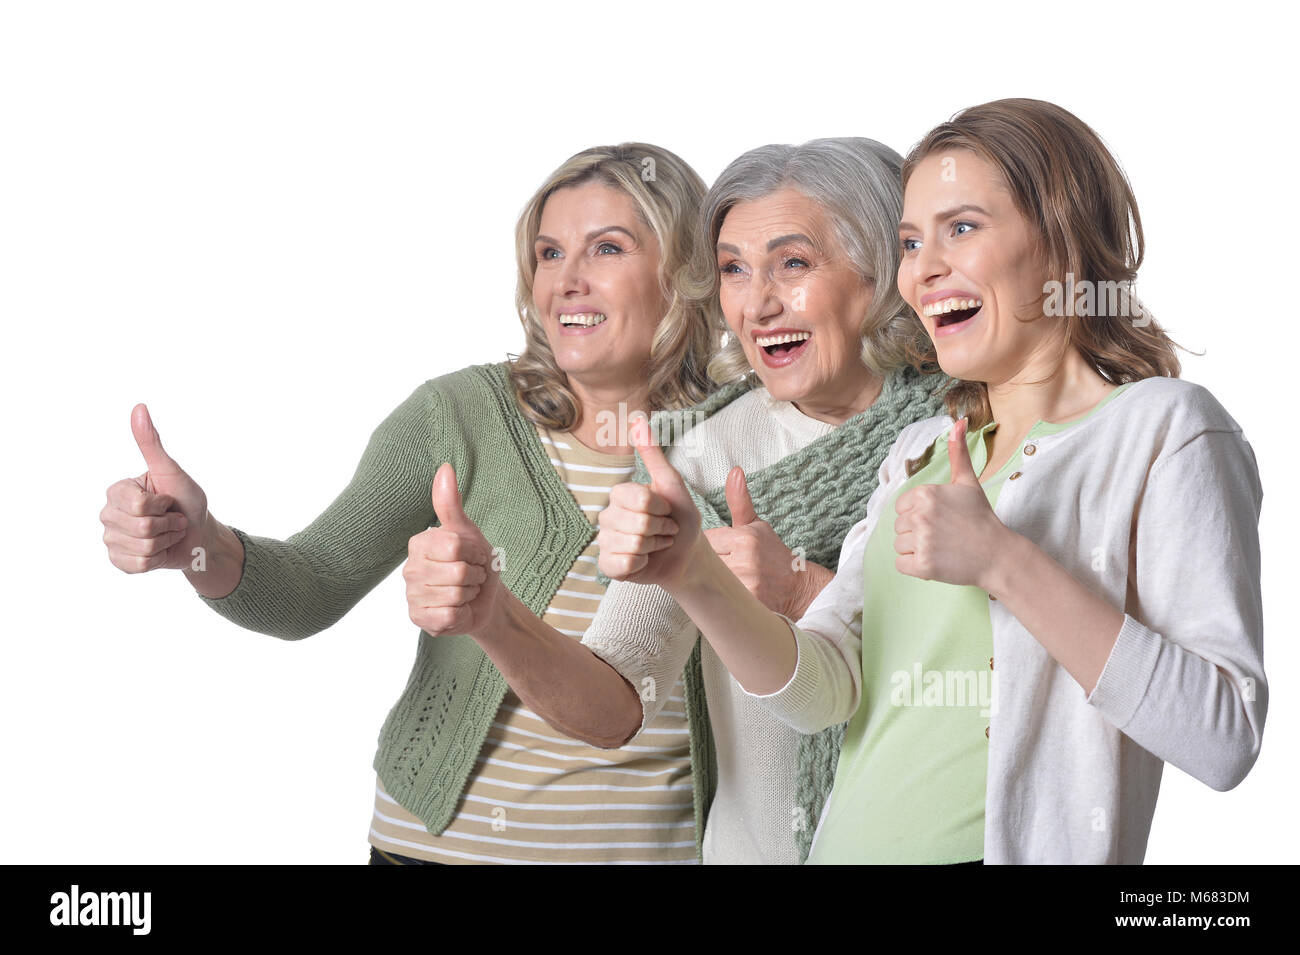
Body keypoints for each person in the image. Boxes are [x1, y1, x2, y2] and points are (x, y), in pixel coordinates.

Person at [598, 99, 1266, 864]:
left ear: (1062, 242)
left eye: (963, 228)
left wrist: (1002, 561)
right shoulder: (918, 451)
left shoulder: (1162, 430)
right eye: (911, 241)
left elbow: (1224, 736)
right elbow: (823, 692)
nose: (924, 269)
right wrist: (695, 576)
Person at [99, 142, 718, 864]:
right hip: (430, 853)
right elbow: (312, 585)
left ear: (683, 275)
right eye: (549, 254)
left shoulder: (745, 436)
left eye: (606, 248)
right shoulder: (457, 416)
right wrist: (196, 542)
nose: (568, 281)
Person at [406, 138, 948, 863]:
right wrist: (494, 616)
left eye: (793, 263)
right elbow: (616, 700)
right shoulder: (694, 456)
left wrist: (801, 587)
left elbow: (1008, 663)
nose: (756, 304)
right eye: (733, 269)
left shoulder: (972, 420)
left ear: (883, 270)